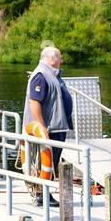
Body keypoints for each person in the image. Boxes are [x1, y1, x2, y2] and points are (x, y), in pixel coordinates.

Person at [23, 44, 73, 204]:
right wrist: (41, 126)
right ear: (51, 59)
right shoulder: (41, 75)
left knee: (54, 161)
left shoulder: (52, 74)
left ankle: (44, 194)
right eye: (59, 57)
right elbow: (34, 101)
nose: (61, 60)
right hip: (49, 128)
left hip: (57, 126)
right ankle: (40, 195)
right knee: (45, 162)